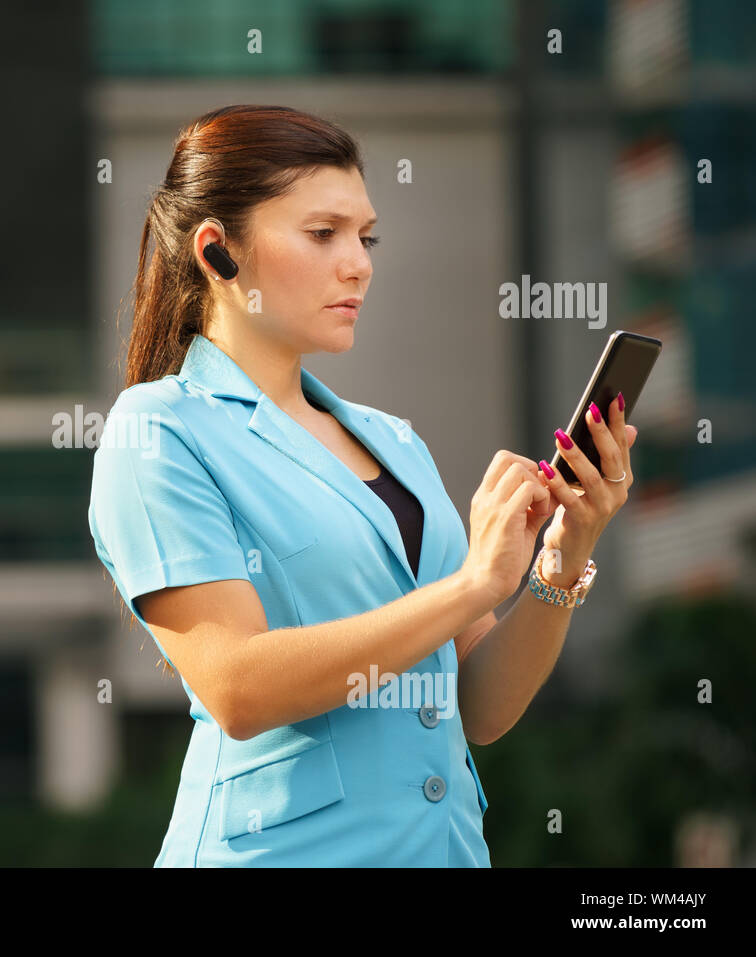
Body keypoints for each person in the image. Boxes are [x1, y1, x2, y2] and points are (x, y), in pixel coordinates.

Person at [87, 104, 638, 866]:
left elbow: (478, 704)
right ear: (217, 253)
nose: (359, 262)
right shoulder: (158, 432)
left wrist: (560, 556)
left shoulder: (395, 441)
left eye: (365, 235)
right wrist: (472, 584)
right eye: (323, 234)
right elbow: (238, 687)